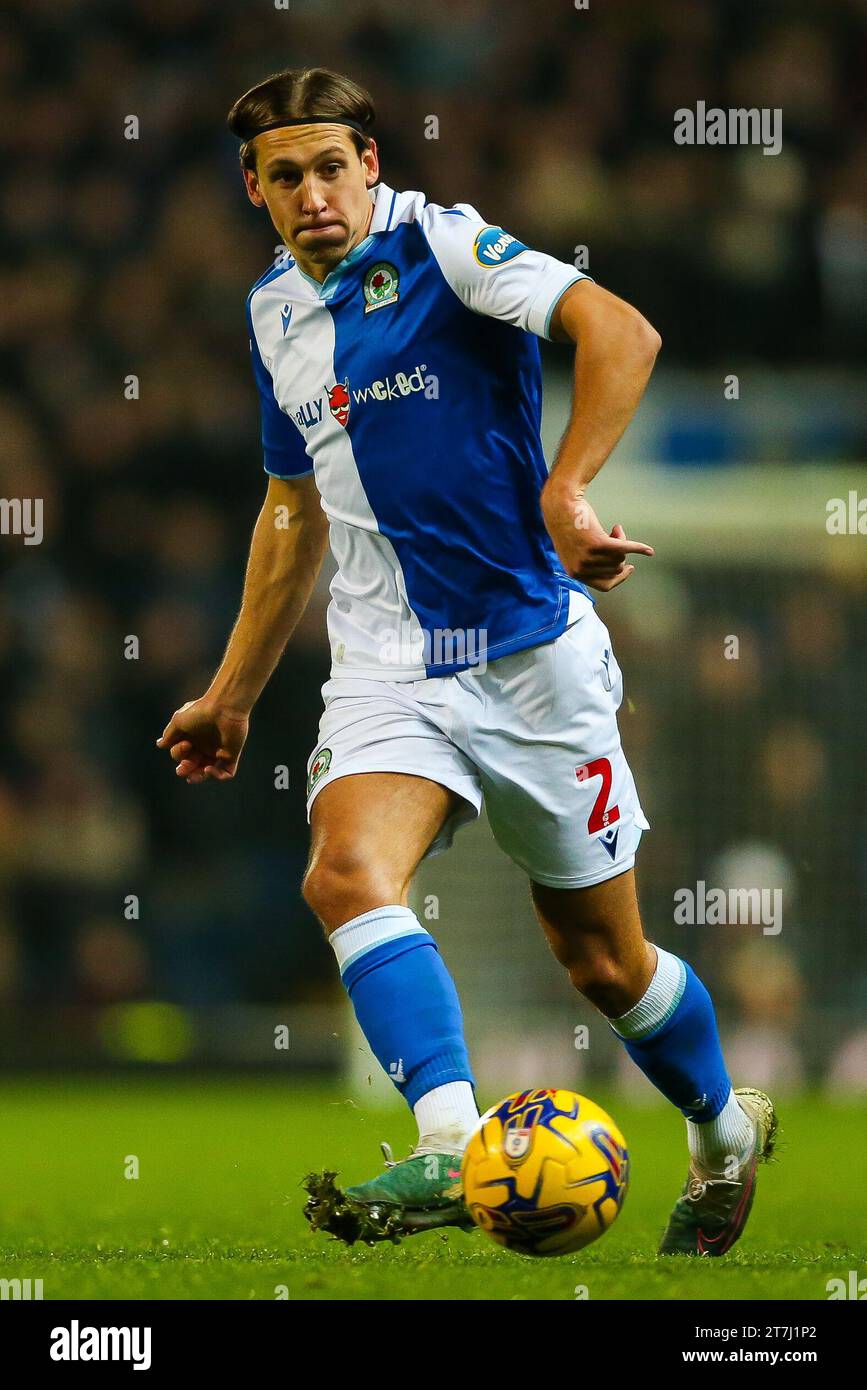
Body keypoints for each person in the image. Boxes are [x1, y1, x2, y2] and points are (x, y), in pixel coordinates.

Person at [157, 66, 776, 1254]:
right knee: (345, 873)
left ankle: (723, 1132)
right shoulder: (272, 313)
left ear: (369, 166)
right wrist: (230, 694)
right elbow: (292, 507)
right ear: (254, 188)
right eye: (285, 176)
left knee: (605, 964)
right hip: (387, 664)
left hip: (530, 659)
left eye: (331, 167)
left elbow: (622, 330)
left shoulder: (446, 246)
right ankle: (450, 1139)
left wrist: (567, 488)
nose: (313, 194)